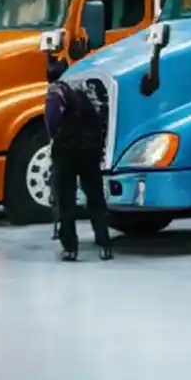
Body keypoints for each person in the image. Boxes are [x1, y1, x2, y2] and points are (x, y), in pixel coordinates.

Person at [44, 58, 113, 262]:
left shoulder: (56, 90)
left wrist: (54, 137)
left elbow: (52, 117)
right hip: (91, 150)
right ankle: (104, 245)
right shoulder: (85, 87)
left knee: (65, 199)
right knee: (95, 198)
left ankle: (70, 248)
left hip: (66, 150)